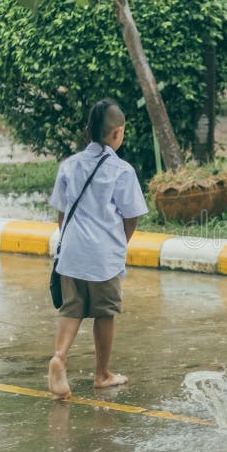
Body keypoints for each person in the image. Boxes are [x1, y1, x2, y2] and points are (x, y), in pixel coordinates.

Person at [47, 99, 148, 400]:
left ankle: (59, 358)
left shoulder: (70, 165)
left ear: (87, 131)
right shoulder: (122, 170)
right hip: (103, 255)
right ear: (117, 133)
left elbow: (61, 213)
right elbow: (131, 216)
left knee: (71, 309)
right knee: (105, 313)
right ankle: (102, 374)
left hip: (71, 252)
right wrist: (119, 243)